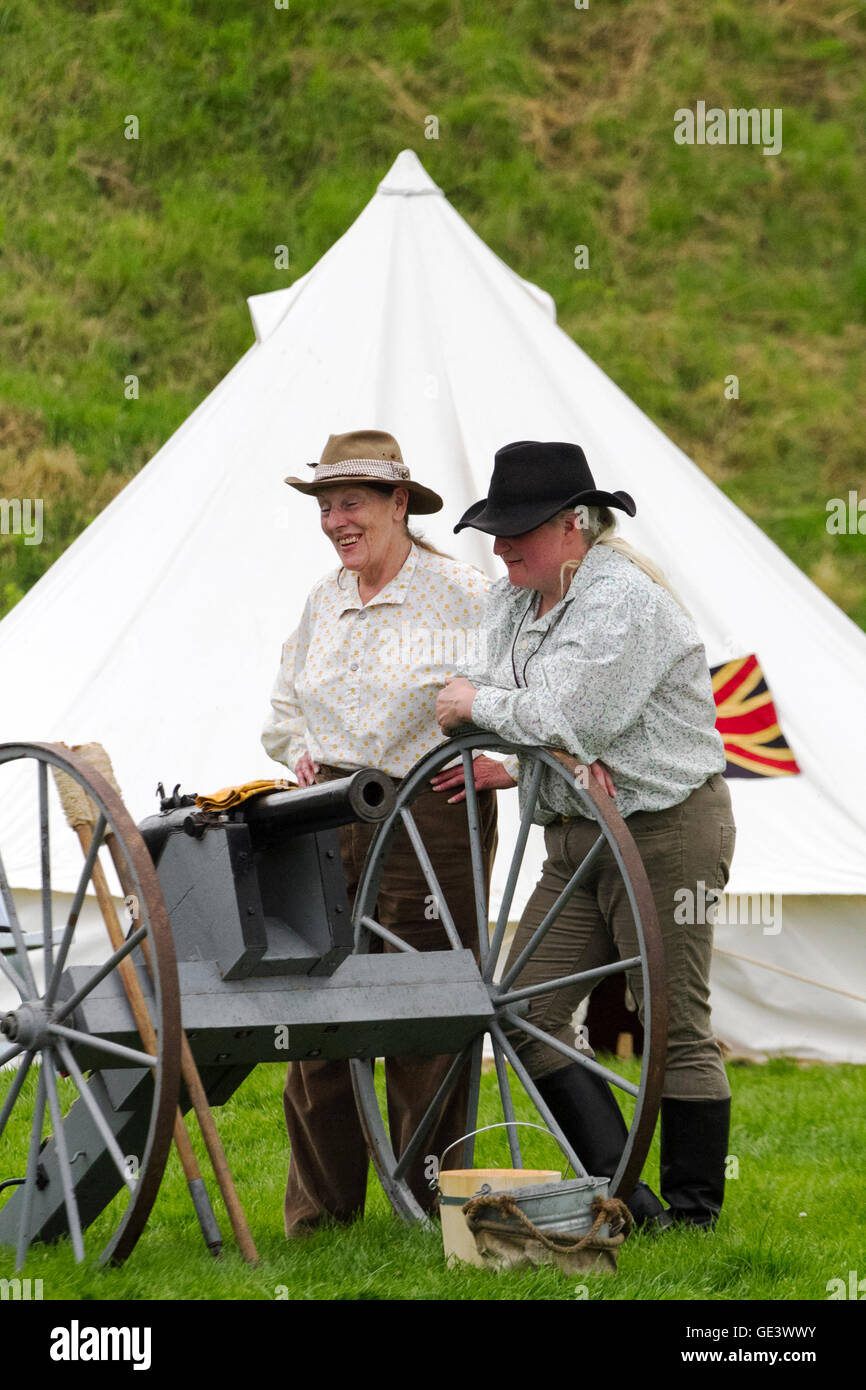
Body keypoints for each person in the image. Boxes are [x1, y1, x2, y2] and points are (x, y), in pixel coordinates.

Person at [434, 439, 735, 1230]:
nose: (501, 549)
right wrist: (537, 747)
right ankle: (629, 1201)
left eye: (518, 530)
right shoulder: (514, 598)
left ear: (572, 525)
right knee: (524, 1010)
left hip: (666, 828)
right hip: (573, 832)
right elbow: (500, 694)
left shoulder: (621, 600)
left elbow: (554, 708)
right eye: (496, 531)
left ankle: (695, 1214)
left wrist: (537, 725)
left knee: (672, 1021)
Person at [262, 428, 498, 1234]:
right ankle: (322, 1214)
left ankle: (433, 1206)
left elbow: (512, 693)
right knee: (319, 1005)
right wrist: (297, 754)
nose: (336, 521)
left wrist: (494, 761)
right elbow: (286, 699)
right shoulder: (323, 598)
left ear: (401, 503)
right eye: (326, 506)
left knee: (421, 1008)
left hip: (428, 811)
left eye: (351, 503)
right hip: (326, 813)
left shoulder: (464, 593)